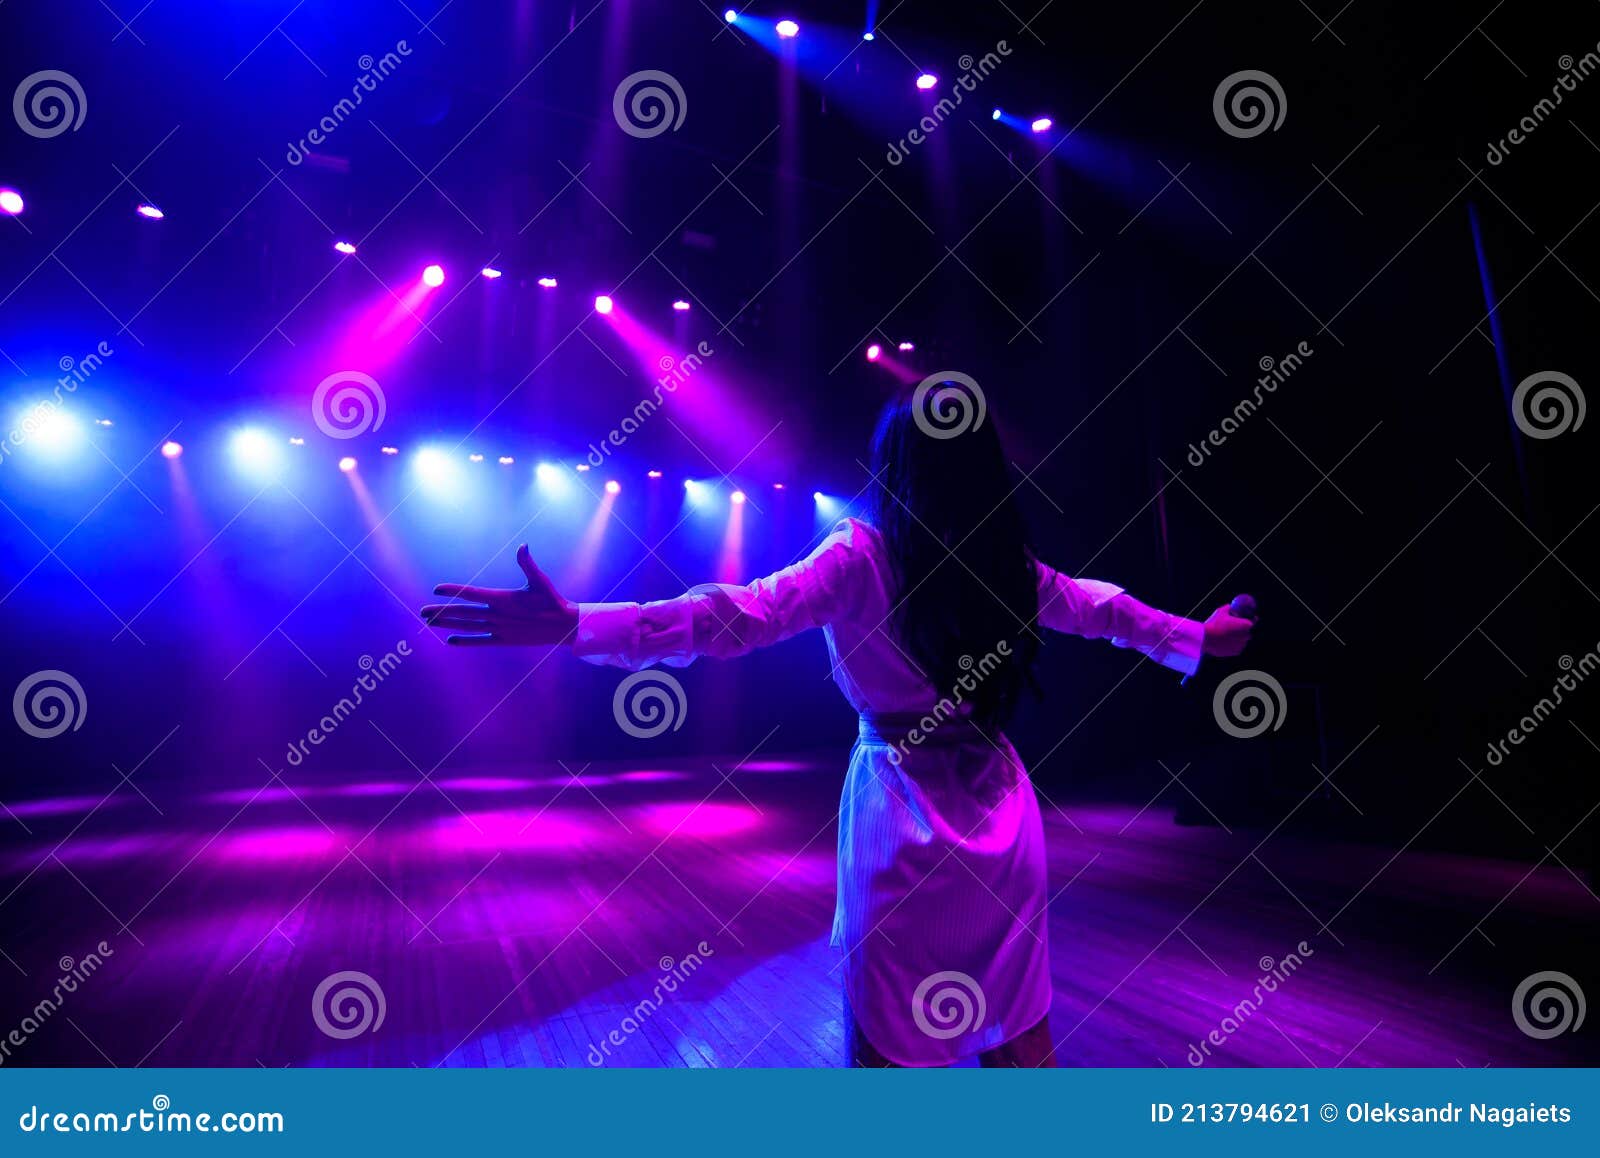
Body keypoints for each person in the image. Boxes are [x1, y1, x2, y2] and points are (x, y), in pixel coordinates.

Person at [421, 392, 1254, 1067]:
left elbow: (733, 616)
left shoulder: (861, 557)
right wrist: (1202, 638)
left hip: (900, 818)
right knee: (1018, 1037)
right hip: (1004, 821)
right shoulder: (1005, 564)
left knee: (888, 1045)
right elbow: (1104, 609)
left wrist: (580, 624)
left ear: (894, 465)